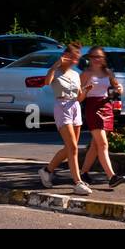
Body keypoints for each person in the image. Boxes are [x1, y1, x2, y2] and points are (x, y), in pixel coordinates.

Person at [38, 42, 92, 194]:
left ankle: (46, 170)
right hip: (62, 107)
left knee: (70, 147)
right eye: (73, 57)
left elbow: (79, 97)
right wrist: (55, 64)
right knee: (73, 147)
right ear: (65, 56)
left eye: (77, 58)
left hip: (75, 107)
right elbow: (46, 82)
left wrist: (86, 91)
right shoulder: (55, 71)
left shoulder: (75, 74)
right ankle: (78, 182)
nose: (75, 61)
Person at [80, 46, 125, 189]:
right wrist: (85, 90)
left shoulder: (108, 73)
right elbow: (79, 96)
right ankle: (111, 177)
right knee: (103, 144)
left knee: (96, 144)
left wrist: (119, 89)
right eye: (93, 57)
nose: (96, 59)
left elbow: (118, 87)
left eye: (99, 57)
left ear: (103, 58)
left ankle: (83, 173)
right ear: (89, 58)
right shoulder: (86, 74)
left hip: (106, 106)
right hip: (92, 108)